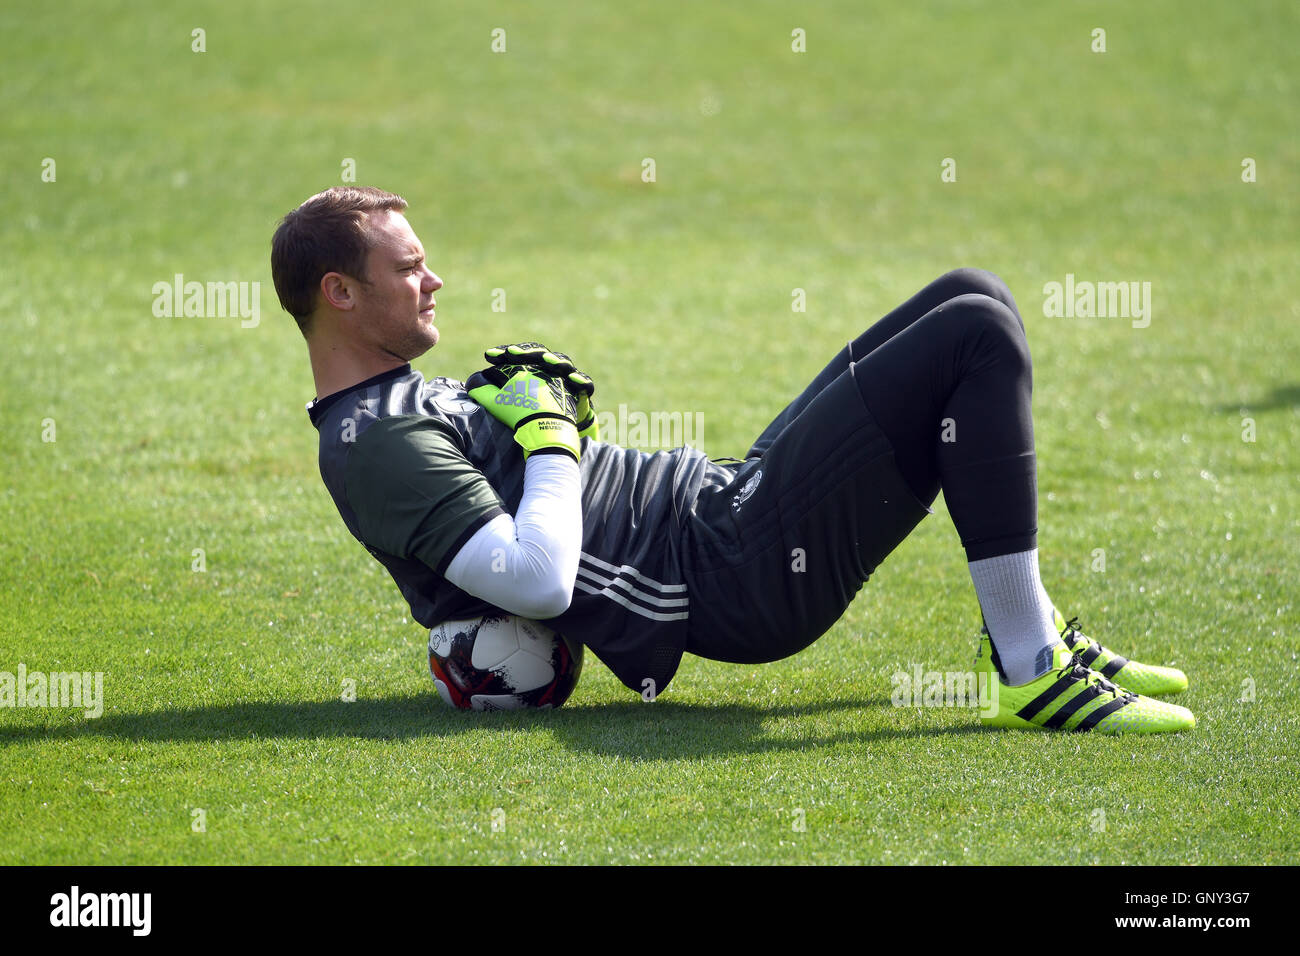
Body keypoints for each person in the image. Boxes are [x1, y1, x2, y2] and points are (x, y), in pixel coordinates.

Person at [271, 185, 1194, 734]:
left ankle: (1025, 631)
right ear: (341, 293)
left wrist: (543, 435)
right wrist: (551, 440)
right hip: (727, 572)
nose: (435, 281)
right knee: (976, 337)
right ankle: (1032, 669)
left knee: (971, 293)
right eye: (410, 268)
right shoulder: (374, 441)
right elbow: (540, 582)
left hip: (721, 505)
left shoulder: (397, 404)